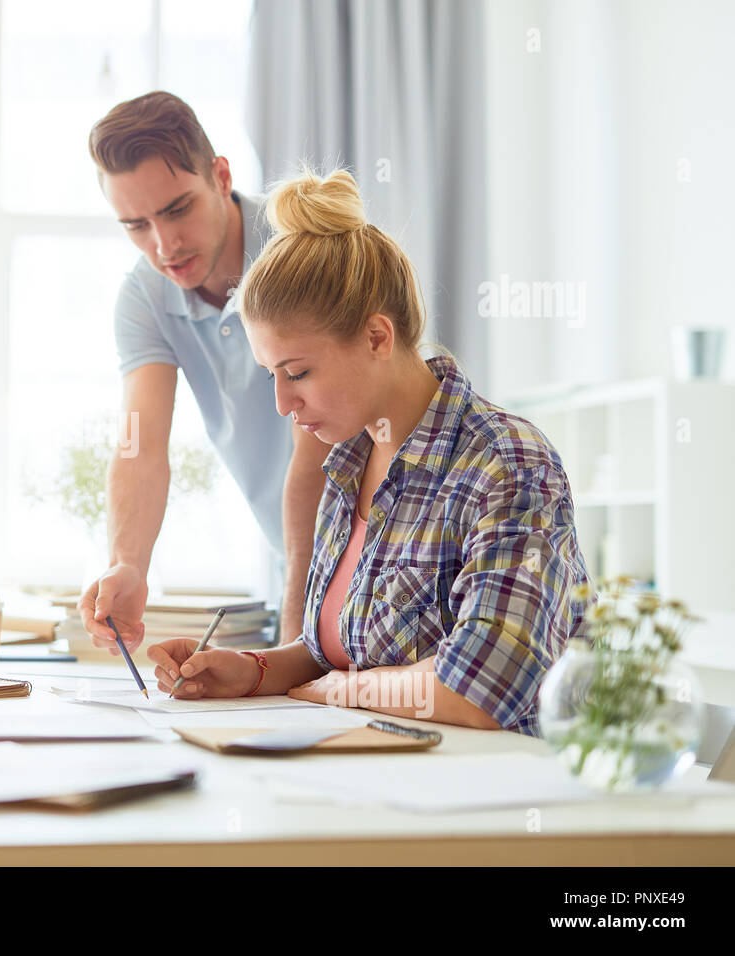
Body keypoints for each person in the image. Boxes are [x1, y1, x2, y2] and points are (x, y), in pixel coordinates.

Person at [146, 167, 593, 735]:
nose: (284, 403)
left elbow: (483, 690)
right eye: (271, 378)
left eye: (299, 372)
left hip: (499, 796)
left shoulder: (509, 466)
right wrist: (250, 670)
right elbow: (332, 652)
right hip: (385, 782)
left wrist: (345, 690)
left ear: (378, 337)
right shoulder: (348, 464)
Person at [76, 91, 330, 655]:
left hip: (373, 540)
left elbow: (314, 454)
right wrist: (128, 564)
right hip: (296, 557)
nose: (164, 246)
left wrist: (292, 642)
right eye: (136, 225)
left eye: (176, 209)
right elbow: (140, 445)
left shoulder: (297, 244)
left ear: (220, 176)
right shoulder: (145, 298)